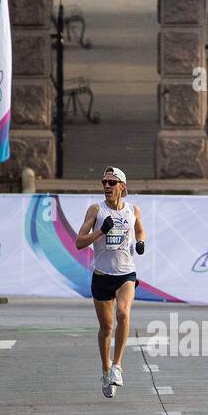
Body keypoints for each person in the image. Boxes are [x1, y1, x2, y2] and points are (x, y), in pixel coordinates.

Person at [75, 166, 145, 397]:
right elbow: (79, 242)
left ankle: (117, 366)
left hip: (126, 274)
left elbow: (140, 229)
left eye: (112, 182)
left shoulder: (132, 209)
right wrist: (100, 232)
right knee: (106, 327)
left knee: (123, 314)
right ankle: (105, 371)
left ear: (122, 187)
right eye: (104, 182)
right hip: (102, 275)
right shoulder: (96, 210)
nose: (107, 186)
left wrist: (141, 242)